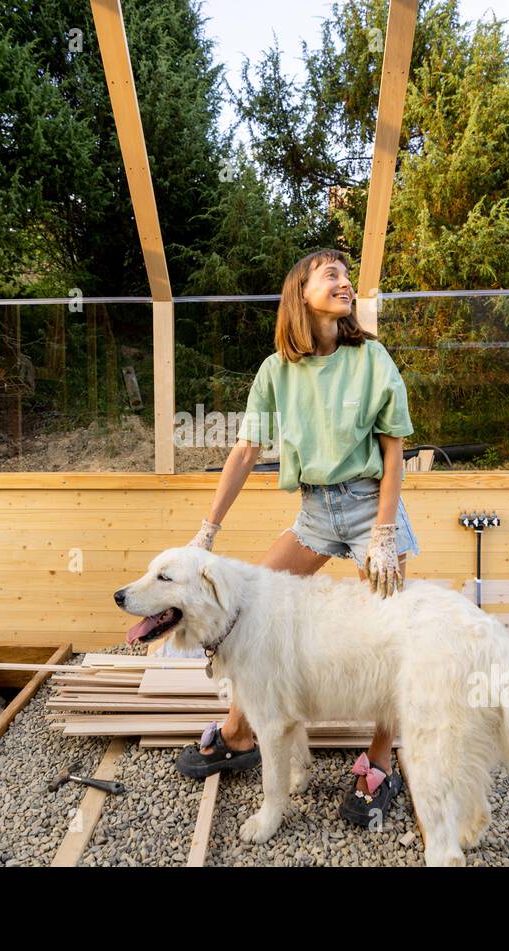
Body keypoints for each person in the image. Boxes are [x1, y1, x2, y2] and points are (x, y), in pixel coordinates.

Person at [172, 248, 421, 827]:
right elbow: (244, 451)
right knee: (248, 608)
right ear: (299, 294)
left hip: (368, 510)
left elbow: (392, 449)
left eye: (346, 276)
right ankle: (239, 733)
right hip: (314, 513)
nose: (345, 282)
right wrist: (207, 531)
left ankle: (379, 762)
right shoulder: (275, 372)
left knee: (393, 633)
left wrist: (384, 531)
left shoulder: (371, 358)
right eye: (330, 274)